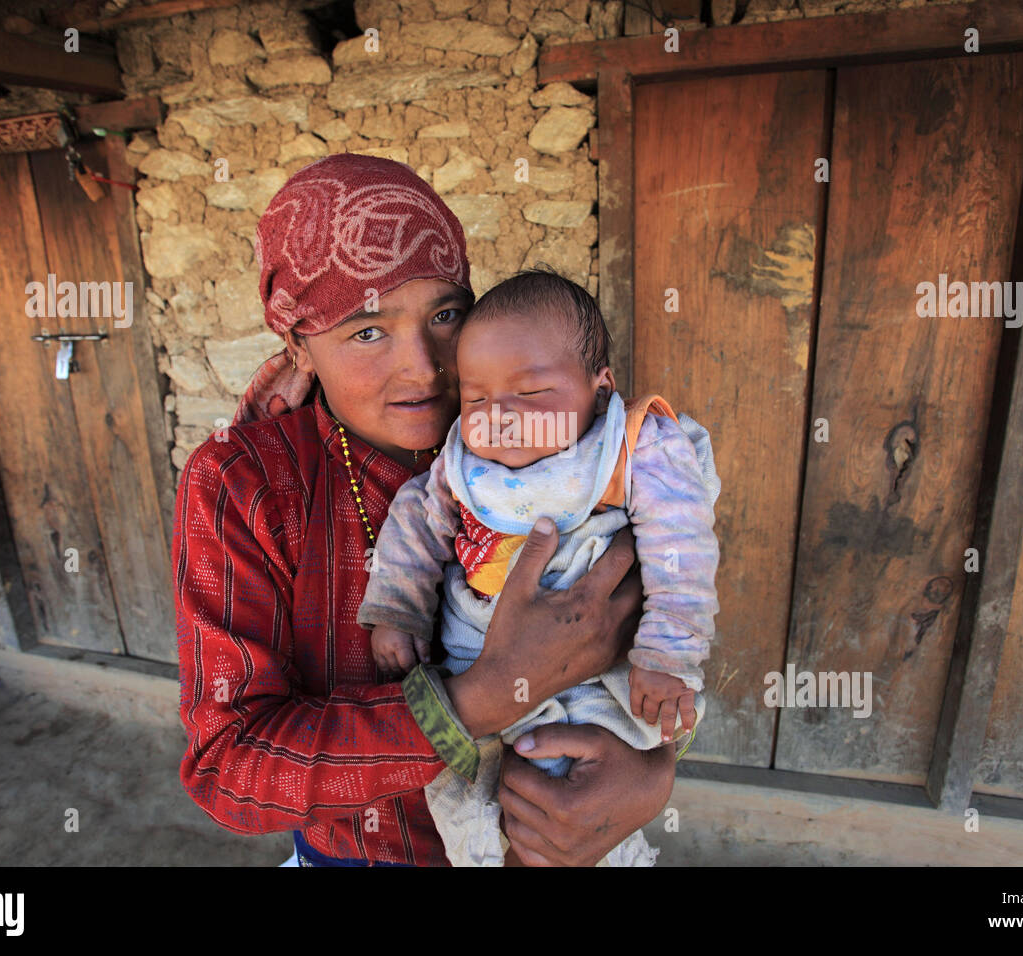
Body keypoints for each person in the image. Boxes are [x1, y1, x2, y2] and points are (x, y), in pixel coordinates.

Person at [173, 153, 681, 866]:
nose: (424, 367)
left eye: (445, 314)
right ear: (298, 344)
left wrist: (655, 772)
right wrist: (482, 698)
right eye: (367, 330)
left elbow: (670, 610)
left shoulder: (556, 443)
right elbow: (229, 766)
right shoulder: (246, 484)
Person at [359, 267, 721, 865]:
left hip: (598, 680)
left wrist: (666, 654)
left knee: (577, 818)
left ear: (600, 390)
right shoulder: (462, 465)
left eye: (530, 394)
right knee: (464, 798)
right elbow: (416, 523)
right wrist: (398, 610)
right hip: (475, 666)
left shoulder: (633, 446)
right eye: (476, 397)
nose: (498, 415)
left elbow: (682, 547)